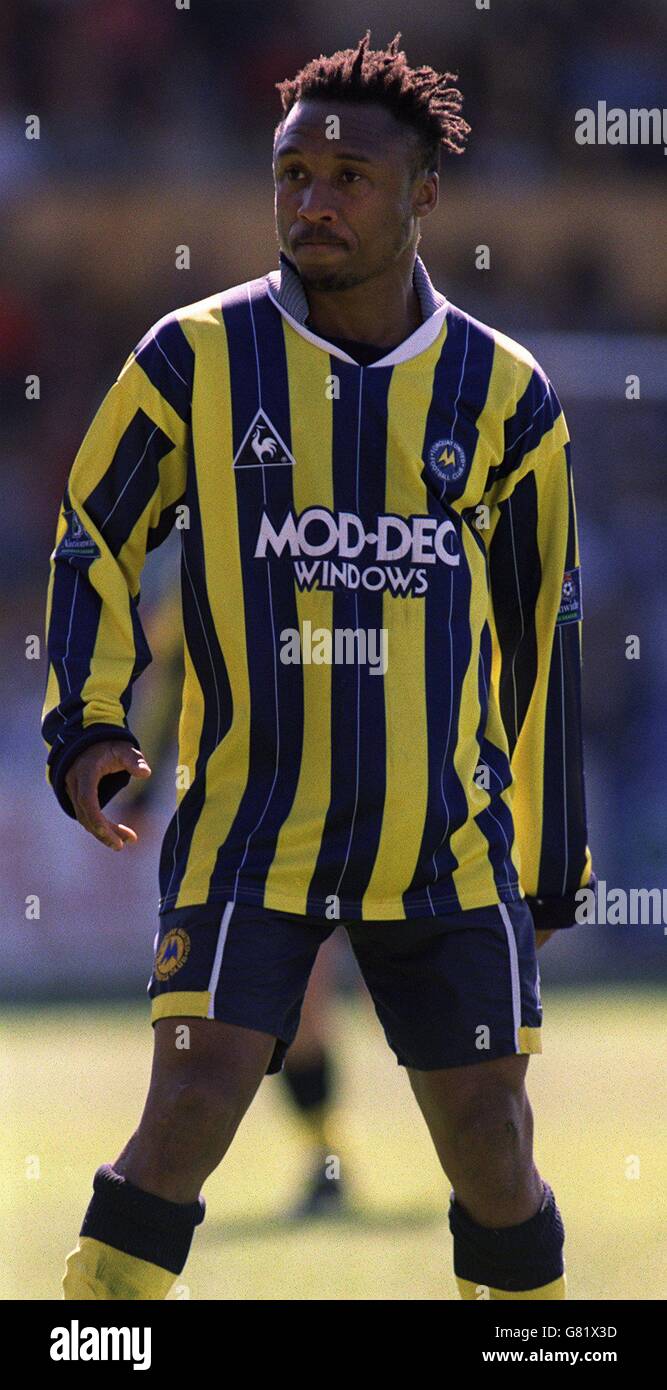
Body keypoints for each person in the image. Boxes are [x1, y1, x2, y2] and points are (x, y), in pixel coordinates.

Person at [41, 32, 595, 1301]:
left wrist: (553, 855)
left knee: (493, 1148)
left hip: (442, 843)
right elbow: (93, 538)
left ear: (423, 193)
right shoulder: (193, 358)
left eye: (349, 177)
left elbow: (541, 634)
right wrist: (89, 719)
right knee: (186, 1109)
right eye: (293, 175)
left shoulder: (505, 395)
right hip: (251, 835)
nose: (313, 202)